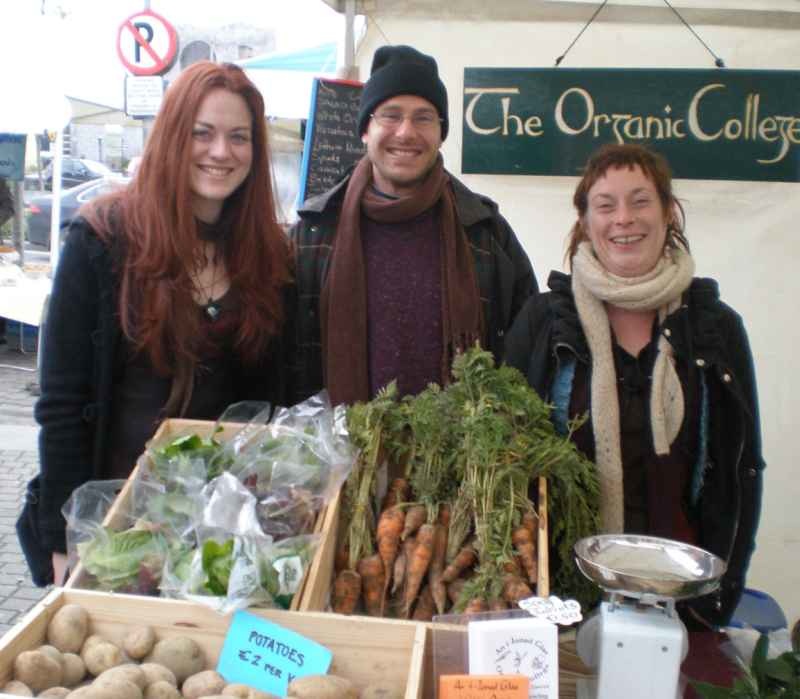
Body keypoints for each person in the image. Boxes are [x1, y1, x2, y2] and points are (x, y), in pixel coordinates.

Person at [17, 62, 292, 587]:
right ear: (171, 138)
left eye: (240, 138)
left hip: (218, 538)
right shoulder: (101, 241)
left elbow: (267, 401)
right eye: (202, 134)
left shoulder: (265, 256)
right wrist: (60, 537)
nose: (221, 152)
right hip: (115, 529)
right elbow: (62, 404)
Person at [505, 143, 764, 626]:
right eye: (606, 205)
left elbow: (743, 468)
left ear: (669, 213)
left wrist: (720, 595)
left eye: (641, 200)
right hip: (564, 600)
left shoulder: (715, 328)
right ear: (585, 220)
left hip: (682, 602)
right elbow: (508, 461)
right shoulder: (545, 322)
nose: (624, 218)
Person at [288, 45, 536, 406]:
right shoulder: (313, 233)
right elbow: (286, 363)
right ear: (365, 130)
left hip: (459, 456)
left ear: (440, 132)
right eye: (390, 115)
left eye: (423, 118)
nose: (406, 133)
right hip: (342, 452)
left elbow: (523, 350)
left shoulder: (485, 232)